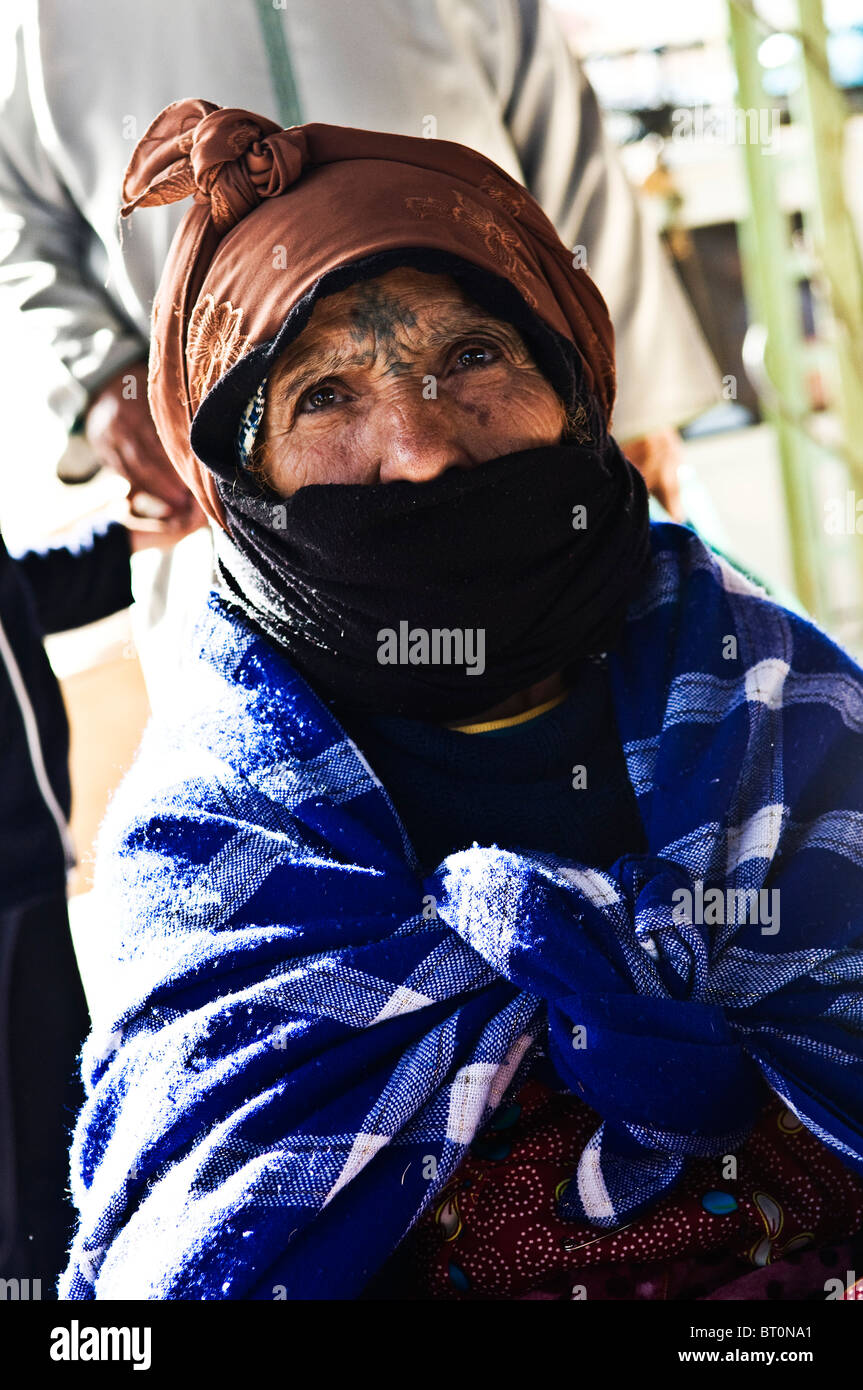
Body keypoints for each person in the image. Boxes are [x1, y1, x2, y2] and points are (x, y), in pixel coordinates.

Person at [59, 104, 863, 1302]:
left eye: (473, 358)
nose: (421, 448)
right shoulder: (211, 845)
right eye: (325, 395)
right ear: (244, 490)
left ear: (576, 395)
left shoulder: (789, 717)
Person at [0, 0, 720, 706]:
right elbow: (14, 215)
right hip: (225, 481)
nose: (412, 455)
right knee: (268, 731)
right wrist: (100, 375)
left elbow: (569, 156)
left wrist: (624, 403)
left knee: (605, 689)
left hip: (503, 431)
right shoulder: (49, 16)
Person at [0, 505, 184, 1294]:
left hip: (30, 866)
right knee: (22, 1171)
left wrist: (127, 546)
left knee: (55, 1129)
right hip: (11, 873)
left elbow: (23, 596)